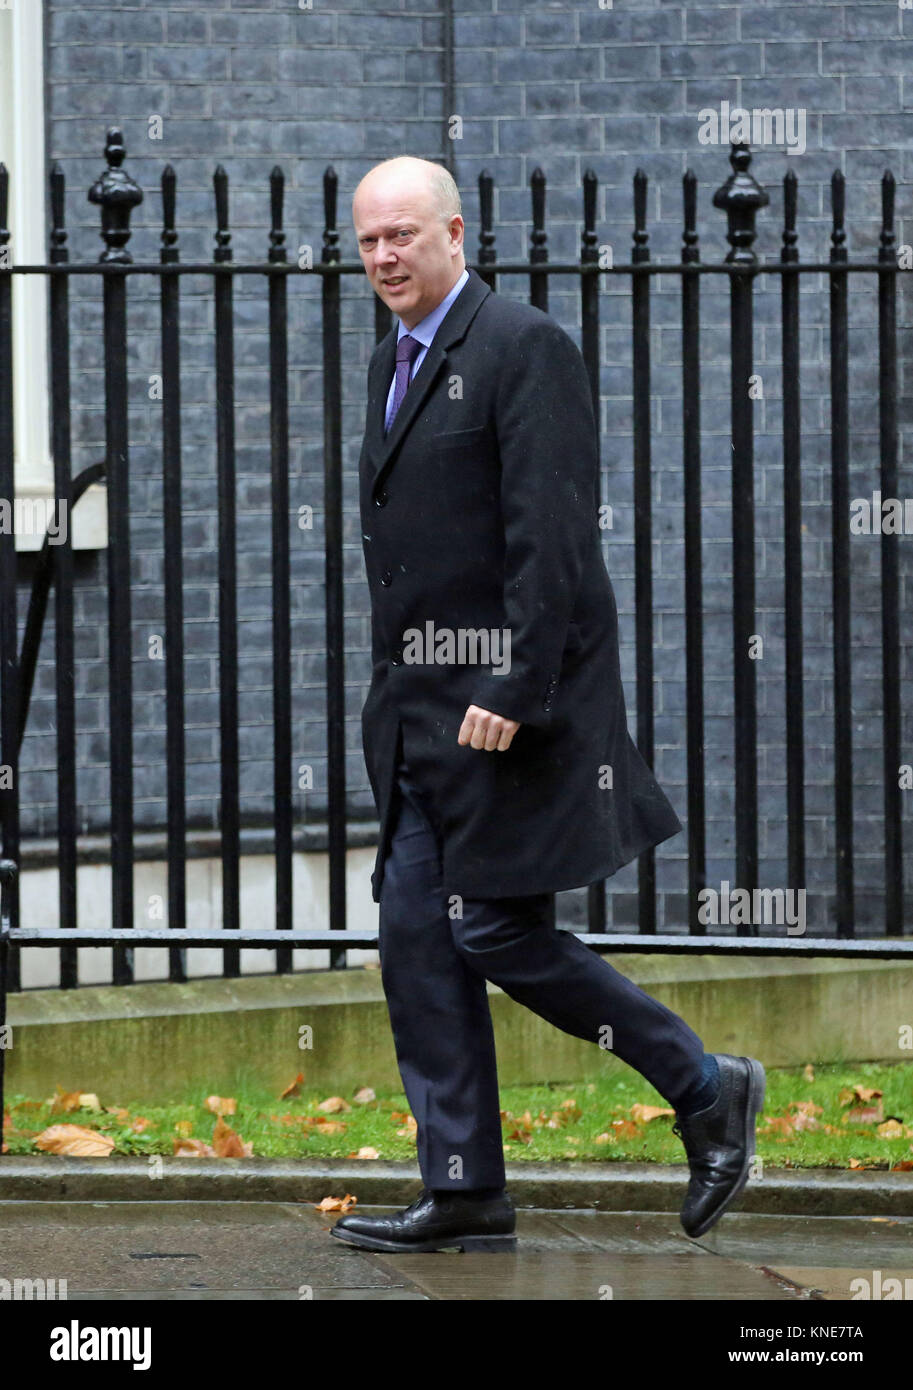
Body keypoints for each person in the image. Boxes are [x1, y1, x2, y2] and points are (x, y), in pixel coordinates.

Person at [331, 156, 765, 1255]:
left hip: (502, 708)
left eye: (402, 236)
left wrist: (515, 685)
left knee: (489, 927)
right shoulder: (395, 354)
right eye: (368, 239)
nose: (383, 256)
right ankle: (466, 1184)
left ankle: (705, 1085)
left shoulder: (522, 347)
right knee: (417, 940)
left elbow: (555, 533)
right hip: (420, 717)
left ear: (455, 233)